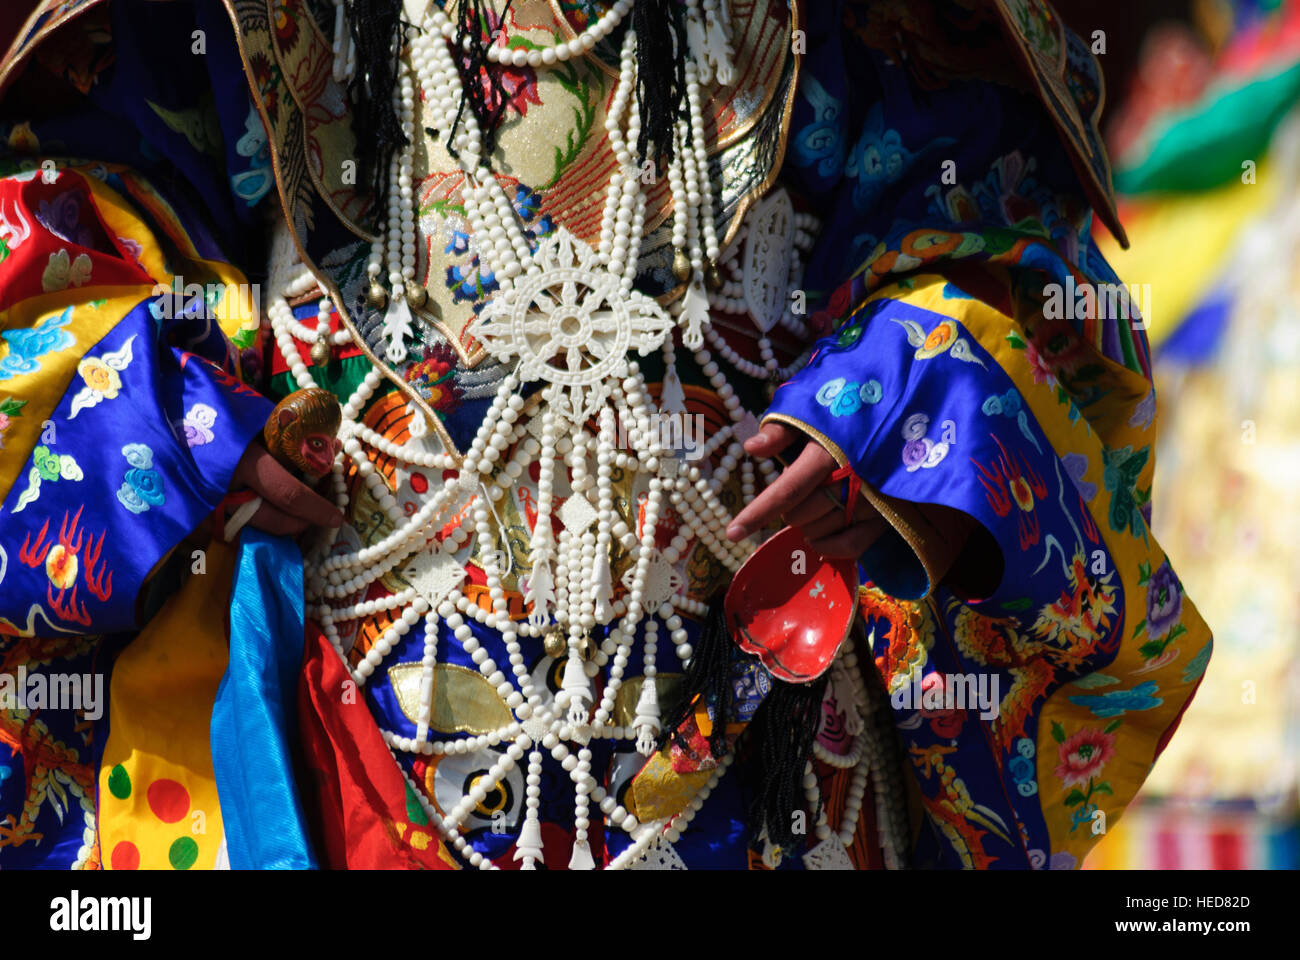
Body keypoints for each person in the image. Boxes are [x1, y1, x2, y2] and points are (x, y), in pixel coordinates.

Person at [0, 0, 1208, 870]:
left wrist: (912, 395)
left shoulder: (869, 30)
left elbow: (1012, 270)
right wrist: (176, 420)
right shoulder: (219, 24)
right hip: (349, 780)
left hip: (764, 782)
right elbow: (63, 266)